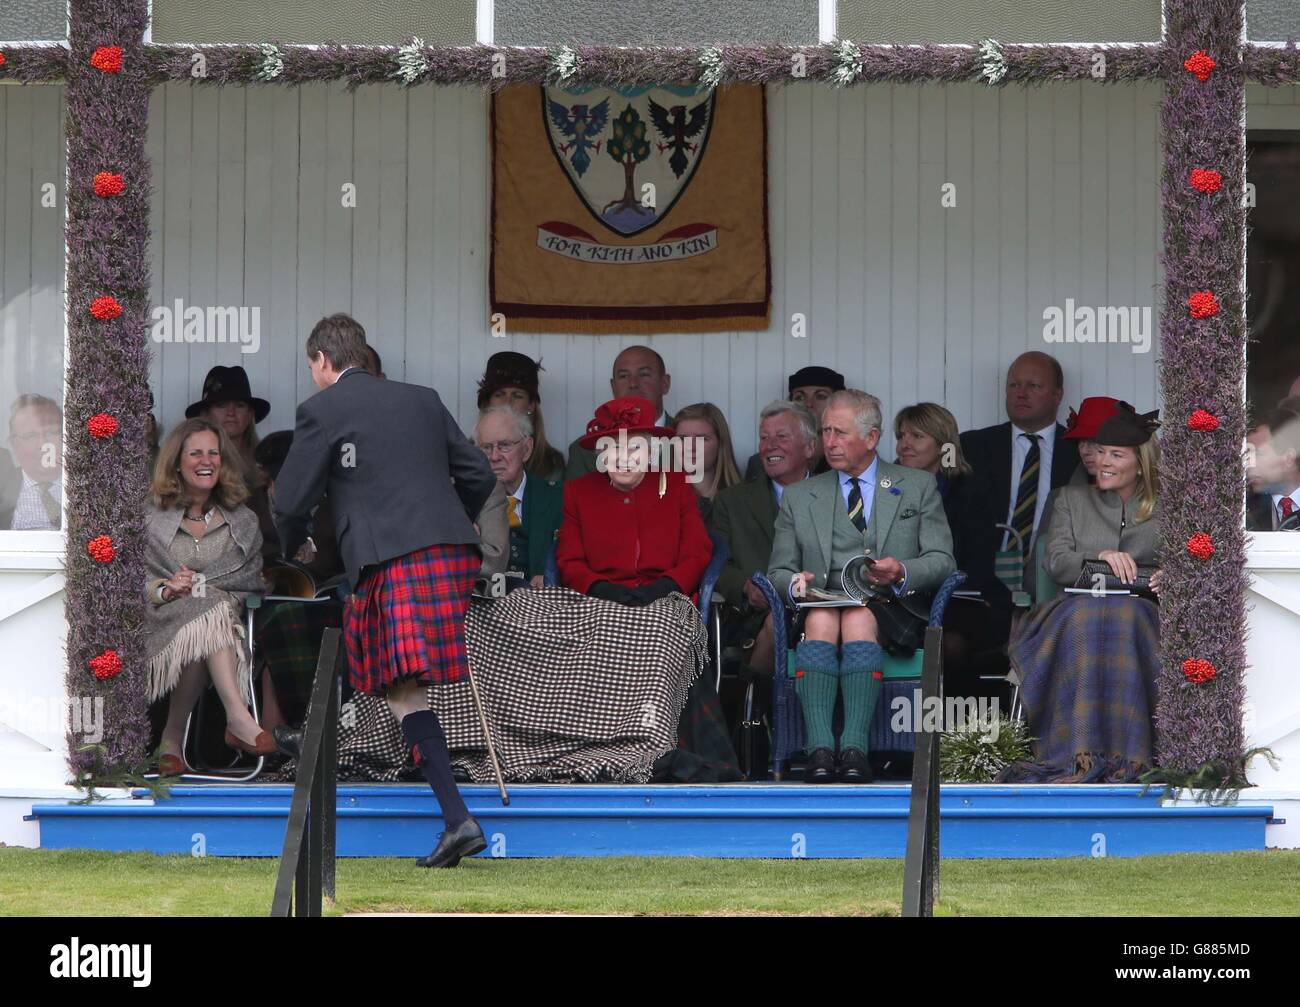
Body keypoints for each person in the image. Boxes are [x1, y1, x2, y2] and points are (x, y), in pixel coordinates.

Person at [273, 313, 497, 869]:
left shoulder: (320, 410)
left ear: (323, 360)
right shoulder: (422, 399)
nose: (313, 377)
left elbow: (291, 500)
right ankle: (456, 820)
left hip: (391, 558)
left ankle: (317, 740)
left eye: (312, 368)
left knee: (394, 681)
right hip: (448, 555)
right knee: (401, 686)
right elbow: (479, 474)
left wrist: (287, 552)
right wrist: (447, 524)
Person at [768, 390, 956, 783]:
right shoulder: (801, 496)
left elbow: (943, 561)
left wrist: (901, 569)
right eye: (825, 432)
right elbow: (778, 571)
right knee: (821, 619)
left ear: (871, 438)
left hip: (893, 605)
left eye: (840, 433)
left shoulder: (917, 485)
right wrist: (796, 584)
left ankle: (854, 747)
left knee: (855, 619)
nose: (829, 442)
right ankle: (821, 749)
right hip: (822, 604)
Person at [558, 396, 739, 781]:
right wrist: (602, 589)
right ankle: (610, 753)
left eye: (635, 447)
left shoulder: (674, 486)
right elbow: (569, 561)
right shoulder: (579, 492)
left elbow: (698, 551)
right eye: (614, 447)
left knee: (664, 631)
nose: (625, 456)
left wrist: (665, 586)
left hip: (667, 600)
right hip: (599, 602)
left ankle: (674, 752)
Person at [1001, 404, 1163, 783]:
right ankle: (1075, 752)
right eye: (1100, 451)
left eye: (1115, 455)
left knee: (1125, 616)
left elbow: (1188, 560)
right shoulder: (1070, 499)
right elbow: (1055, 561)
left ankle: (1133, 755)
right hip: (1072, 609)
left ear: (1140, 464)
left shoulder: (1167, 508)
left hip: (1141, 611)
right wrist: (1100, 557)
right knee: (1091, 616)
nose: (1102, 461)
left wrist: (1170, 576)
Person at [948, 352, 1080, 694]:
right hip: (982, 589)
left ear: (1057, 395)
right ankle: (967, 740)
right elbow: (952, 524)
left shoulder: (1081, 451)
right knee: (949, 645)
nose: (1021, 393)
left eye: (1033, 386)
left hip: (1054, 590)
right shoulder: (971, 446)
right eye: (1014, 385)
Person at [145, 418, 268, 775]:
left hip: (225, 617)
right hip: (161, 617)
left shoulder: (243, 519)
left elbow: (249, 577)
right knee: (206, 614)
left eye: (213, 453)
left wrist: (199, 587)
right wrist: (168, 588)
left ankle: (171, 739)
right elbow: (134, 577)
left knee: (209, 611)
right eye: (196, 452)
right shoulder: (150, 517)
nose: (207, 460)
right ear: (177, 463)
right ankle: (237, 718)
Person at [713, 400, 817, 677]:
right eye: (763, 437)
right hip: (756, 617)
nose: (769, 445)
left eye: (782, 436)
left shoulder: (840, 496)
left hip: (823, 609)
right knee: (778, 623)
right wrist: (746, 588)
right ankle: (774, 714)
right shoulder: (731, 501)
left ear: (810, 447)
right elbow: (715, 564)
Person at [186, 365, 279, 560]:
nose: (231, 412)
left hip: (268, 563)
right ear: (206, 413)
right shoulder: (190, 464)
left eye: (239, 405)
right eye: (221, 405)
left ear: (251, 414)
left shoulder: (269, 462)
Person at [473, 405, 563, 586]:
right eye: (486, 447)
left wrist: (552, 576)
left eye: (505, 445)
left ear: (527, 449)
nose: (495, 456)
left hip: (541, 607)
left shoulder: (558, 498)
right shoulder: (463, 504)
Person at [565, 346, 673, 479]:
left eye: (644, 374)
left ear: (665, 383)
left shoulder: (689, 439)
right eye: (623, 376)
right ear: (613, 386)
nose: (633, 383)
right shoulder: (584, 450)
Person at [476, 350, 566, 481]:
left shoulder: (552, 463)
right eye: (499, 395)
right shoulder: (464, 455)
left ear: (531, 405)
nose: (507, 402)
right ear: (487, 403)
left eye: (517, 396)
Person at [744, 366, 845, 480]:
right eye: (800, 397)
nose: (808, 404)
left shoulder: (849, 458)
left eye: (820, 396)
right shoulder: (760, 463)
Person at [672, 402, 743, 526]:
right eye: (682, 439)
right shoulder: (660, 498)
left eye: (702, 439)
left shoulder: (742, 500)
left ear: (720, 444)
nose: (690, 447)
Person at [2, 394, 63, 530]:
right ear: (14, 444)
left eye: (51, 432)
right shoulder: (3, 488)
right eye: (31, 435)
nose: (42, 444)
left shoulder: (86, 485)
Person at [1247, 398, 1300, 531]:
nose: (1248, 465)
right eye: (1247, 454)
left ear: (1288, 458)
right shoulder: (1245, 513)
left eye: (1257, 454)